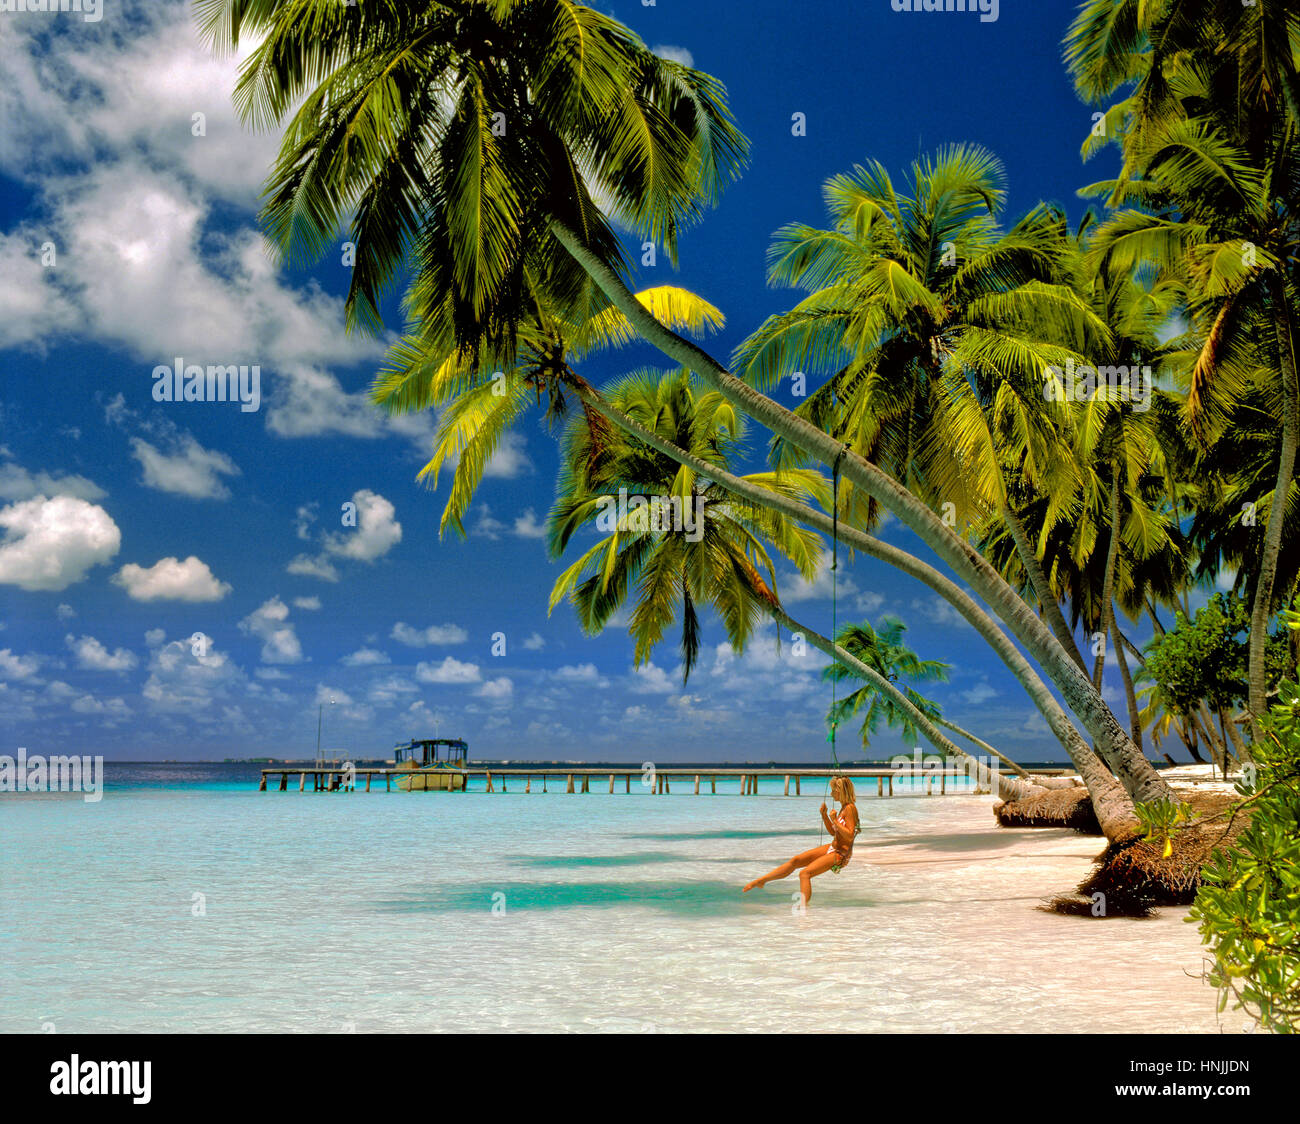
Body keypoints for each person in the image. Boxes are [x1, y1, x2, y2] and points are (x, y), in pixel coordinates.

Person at [742, 776, 859, 906]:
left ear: (840, 791)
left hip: (841, 854)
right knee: (795, 860)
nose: (831, 794)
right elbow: (834, 832)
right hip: (833, 847)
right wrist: (825, 816)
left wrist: (835, 820)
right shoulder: (843, 807)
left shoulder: (850, 808)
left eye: (833, 791)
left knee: (804, 874)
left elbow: (849, 835)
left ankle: (803, 909)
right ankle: (762, 880)